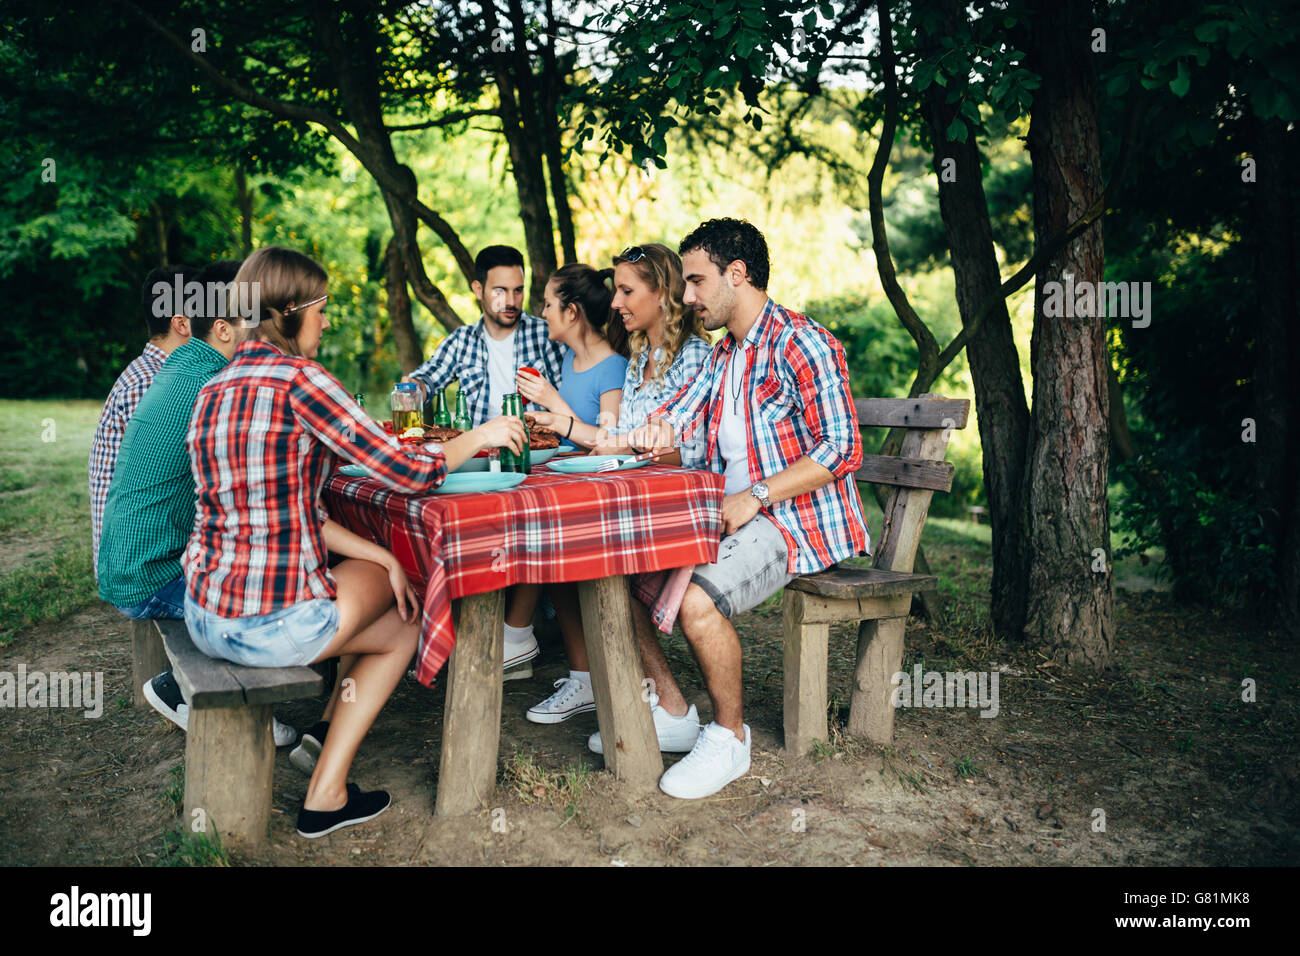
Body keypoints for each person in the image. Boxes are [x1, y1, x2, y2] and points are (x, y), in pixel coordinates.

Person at [183, 246, 525, 837]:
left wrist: (383, 554)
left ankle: (327, 786)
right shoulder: (300, 380)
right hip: (264, 624)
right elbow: (407, 470)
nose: (326, 319)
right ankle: (325, 787)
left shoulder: (217, 386)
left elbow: (290, 511)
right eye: (320, 308)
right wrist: (480, 435)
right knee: (407, 596)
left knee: (401, 614)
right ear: (288, 311)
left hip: (203, 611)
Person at [623, 218, 870, 799]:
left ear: (737, 274)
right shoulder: (724, 355)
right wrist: (601, 433)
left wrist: (755, 495)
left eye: (696, 281)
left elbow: (843, 447)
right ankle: (676, 710)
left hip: (794, 523)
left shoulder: (801, 342)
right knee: (614, 570)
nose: (686, 297)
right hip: (728, 514)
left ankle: (729, 739)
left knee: (694, 602)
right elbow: (673, 421)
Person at [96, 260, 300, 744]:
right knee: (285, 597)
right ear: (226, 328)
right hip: (152, 575)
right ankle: (199, 698)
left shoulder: (186, 366)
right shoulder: (214, 386)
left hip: (134, 562)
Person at [521, 244, 711, 725]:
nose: (616, 302)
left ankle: (654, 704)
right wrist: (559, 423)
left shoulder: (693, 356)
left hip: (673, 504)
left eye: (627, 291)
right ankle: (611, 689)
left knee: (585, 558)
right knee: (565, 544)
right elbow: (610, 440)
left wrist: (625, 445)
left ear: (661, 293)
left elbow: (687, 447)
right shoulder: (637, 358)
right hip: (631, 495)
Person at [502, 264, 629, 681]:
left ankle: (517, 636)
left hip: (600, 493)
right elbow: (568, 432)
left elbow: (606, 439)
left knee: (539, 526)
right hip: (567, 482)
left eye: (548, 304)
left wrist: (553, 404)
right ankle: (522, 638)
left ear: (571, 312)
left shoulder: (611, 367)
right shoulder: (572, 361)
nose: (542, 313)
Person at [89, 265, 194, 578]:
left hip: (147, 554)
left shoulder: (160, 373)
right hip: (142, 567)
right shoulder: (151, 384)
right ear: (183, 324)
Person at [405, 245, 564, 424]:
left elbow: (571, 400)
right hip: (481, 449)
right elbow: (429, 378)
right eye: (500, 291)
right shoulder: (462, 341)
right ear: (478, 289)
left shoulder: (547, 335)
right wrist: (415, 387)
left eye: (517, 290)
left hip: (537, 448)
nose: (511, 301)